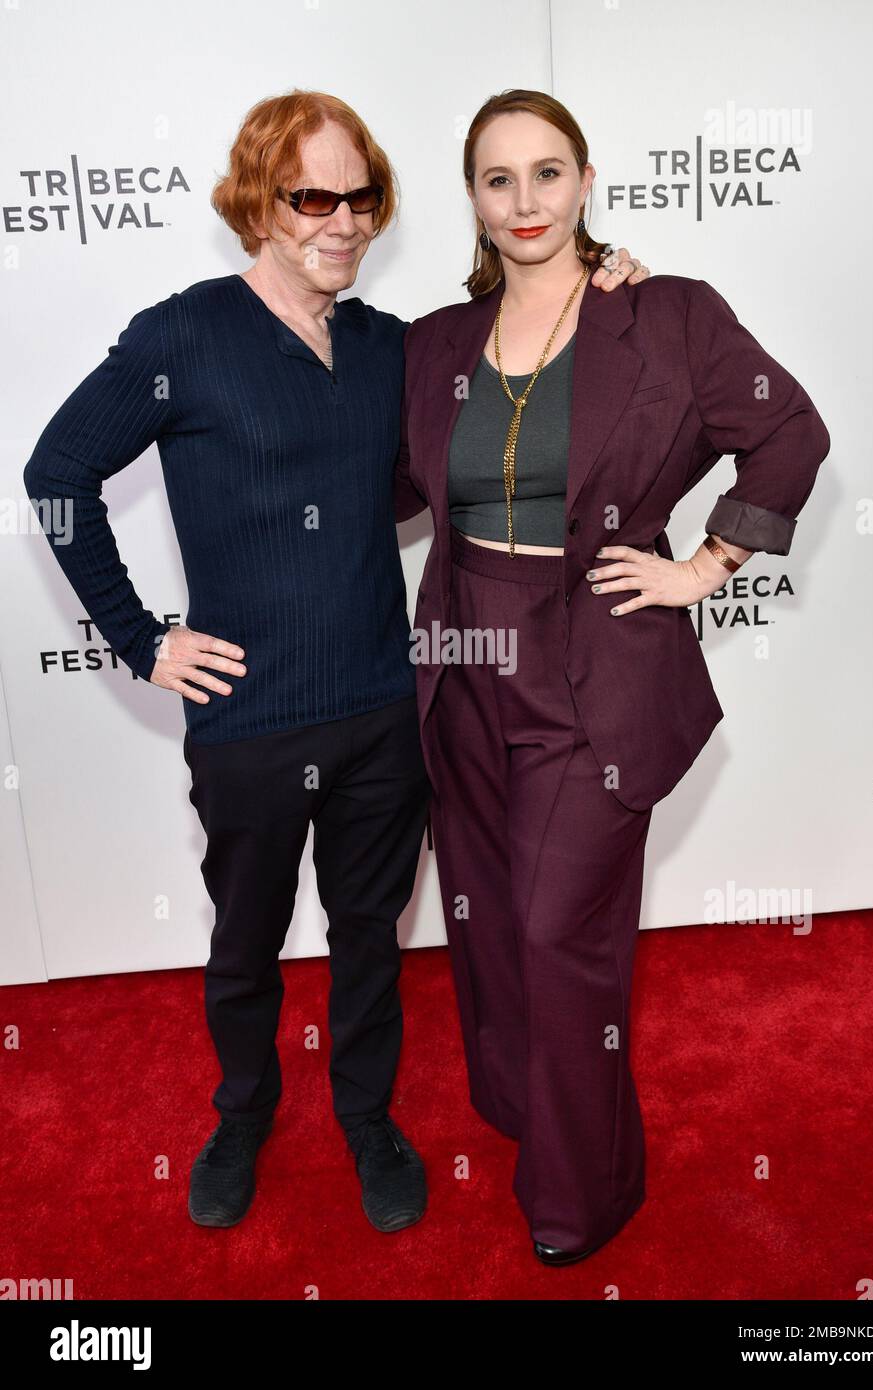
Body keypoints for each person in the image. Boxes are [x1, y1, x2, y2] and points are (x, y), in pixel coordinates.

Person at [22, 89, 647, 1236]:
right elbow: (55, 476)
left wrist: (606, 286)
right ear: (258, 203)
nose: (344, 220)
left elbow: (511, 370)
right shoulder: (182, 336)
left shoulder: (391, 348)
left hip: (382, 710)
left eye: (363, 197)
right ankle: (241, 1114)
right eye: (315, 196)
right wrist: (138, 636)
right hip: (247, 721)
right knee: (244, 942)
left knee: (370, 937)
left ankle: (367, 1117)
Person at [394, 88, 831, 1264]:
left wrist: (708, 562)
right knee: (486, 926)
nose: (524, 201)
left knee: (554, 930)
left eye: (547, 173)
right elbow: (386, 482)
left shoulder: (666, 313)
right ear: (472, 199)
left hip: (593, 656)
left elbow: (787, 428)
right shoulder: (436, 340)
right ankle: (525, 1112)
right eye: (498, 179)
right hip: (461, 656)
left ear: (584, 180)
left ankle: (584, 1192)